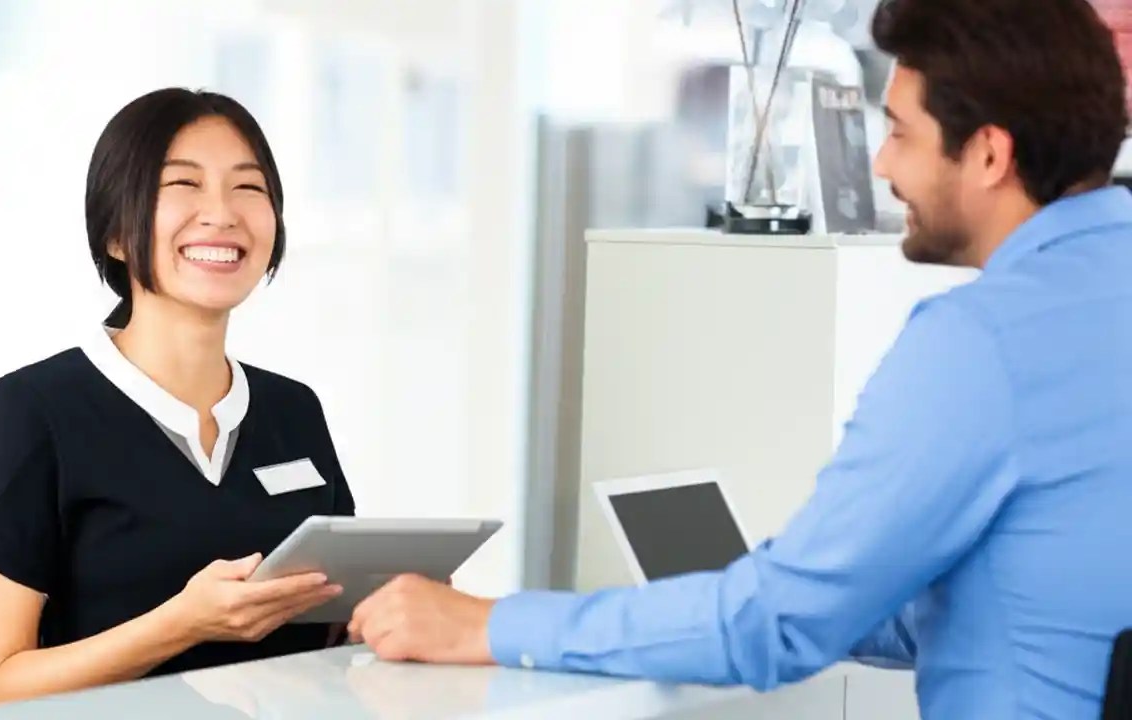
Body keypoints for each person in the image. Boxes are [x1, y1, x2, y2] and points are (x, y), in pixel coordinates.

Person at [347, 0, 1132, 717]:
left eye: (898, 133)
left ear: (989, 154)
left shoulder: (979, 344)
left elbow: (777, 626)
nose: (882, 166)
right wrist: (809, 586)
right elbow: (1024, 593)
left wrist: (486, 624)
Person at [0, 88, 355, 709]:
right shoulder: (36, 410)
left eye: (248, 187)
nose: (221, 213)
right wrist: (183, 624)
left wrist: (377, 619)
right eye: (184, 184)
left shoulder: (294, 410)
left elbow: (330, 628)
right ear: (117, 232)